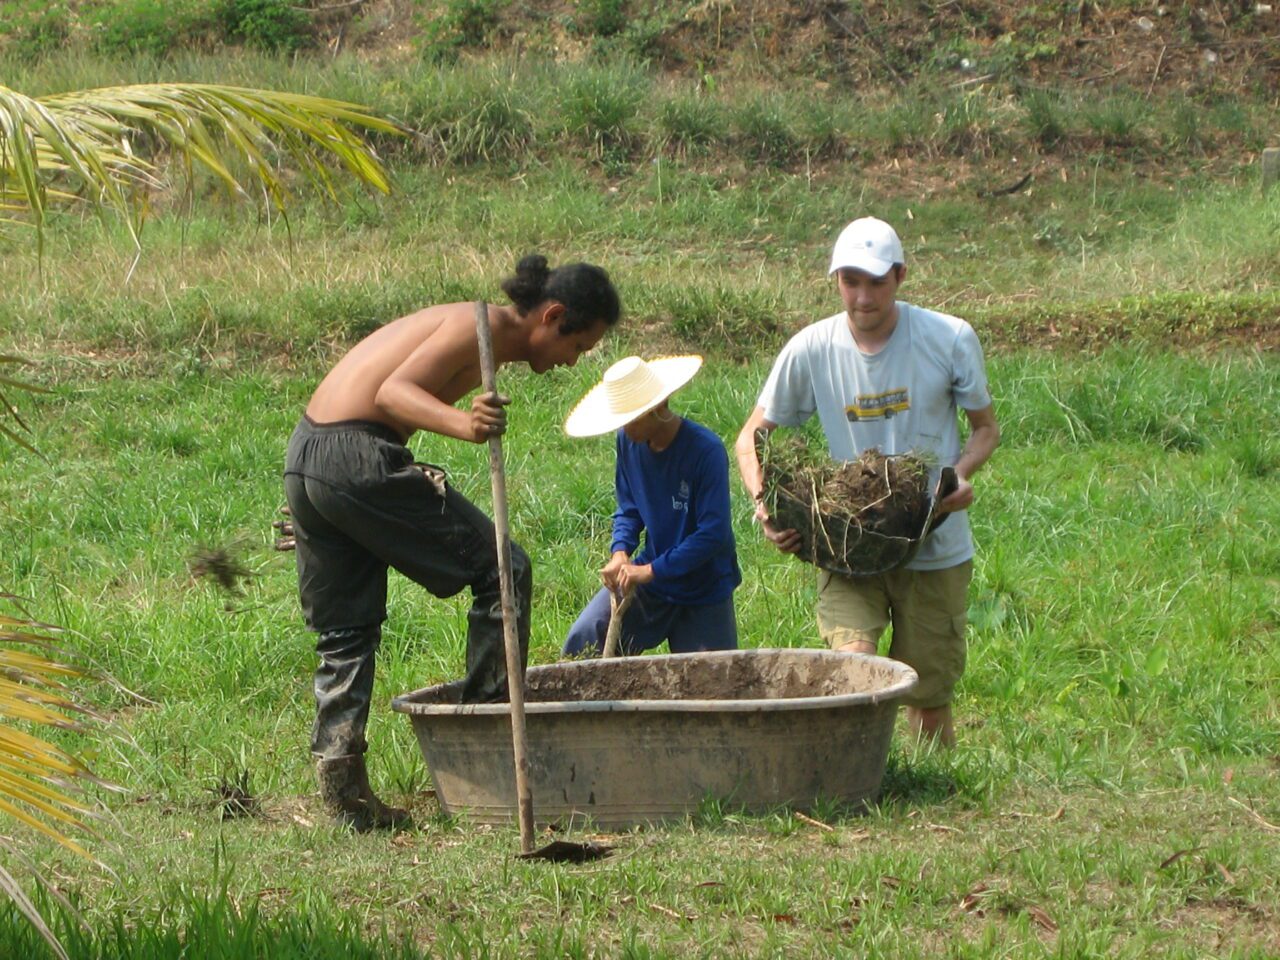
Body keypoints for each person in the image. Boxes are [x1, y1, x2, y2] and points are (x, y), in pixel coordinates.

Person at [283, 254, 621, 830]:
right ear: (553, 316)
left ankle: (343, 793)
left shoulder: (483, 329)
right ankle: (485, 741)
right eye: (579, 347)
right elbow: (393, 392)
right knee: (504, 570)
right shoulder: (481, 326)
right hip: (356, 456)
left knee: (346, 629)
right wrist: (463, 424)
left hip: (309, 459)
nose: (572, 362)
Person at [735, 217, 999, 748]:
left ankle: (929, 794)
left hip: (931, 537)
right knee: (852, 671)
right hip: (849, 544)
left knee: (927, 695)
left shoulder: (948, 338)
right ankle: (860, 783)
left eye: (876, 282)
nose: (862, 297)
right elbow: (751, 439)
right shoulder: (811, 349)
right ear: (835, 281)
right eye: (850, 281)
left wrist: (961, 476)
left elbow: (985, 430)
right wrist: (767, 509)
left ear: (900, 276)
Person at [561, 355, 741, 658]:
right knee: (586, 637)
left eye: (632, 419)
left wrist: (650, 571)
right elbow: (629, 507)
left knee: (712, 683)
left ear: (657, 408)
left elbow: (713, 534)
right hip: (652, 578)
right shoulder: (627, 442)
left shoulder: (706, 451)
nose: (625, 428)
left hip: (703, 587)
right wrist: (620, 551)